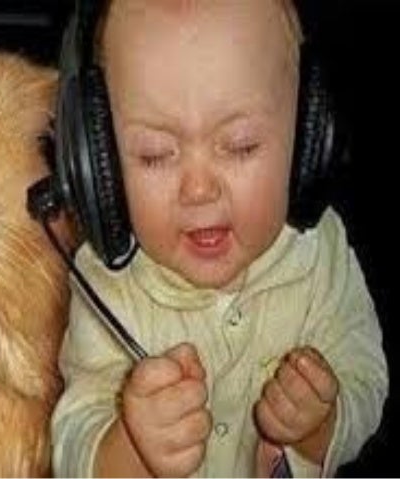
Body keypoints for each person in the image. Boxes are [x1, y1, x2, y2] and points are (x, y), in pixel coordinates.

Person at [50, 0, 388, 477]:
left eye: (241, 145)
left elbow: (366, 375)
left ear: (309, 139)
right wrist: (130, 447)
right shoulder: (105, 286)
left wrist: (322, 425)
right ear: (95, 156)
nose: (198, 189)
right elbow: (72, 442)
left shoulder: (321, 253)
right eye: (155, 154)